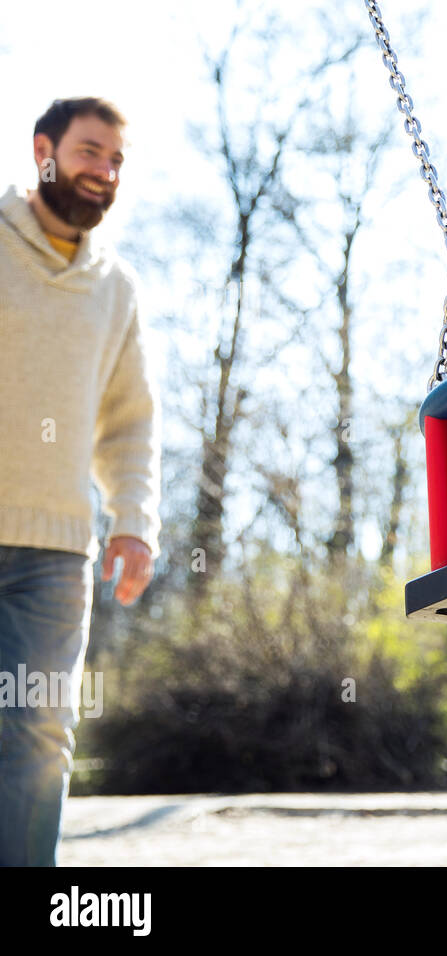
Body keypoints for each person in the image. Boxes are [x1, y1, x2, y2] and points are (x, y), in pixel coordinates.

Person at [0, 97, 160, 866]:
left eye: (117, 161)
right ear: (44, 150)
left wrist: (133, 519)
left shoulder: (115, 287)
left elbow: (128, 422)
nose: (104, 172)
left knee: (38, 730)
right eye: (90, 151)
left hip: (57, 552)